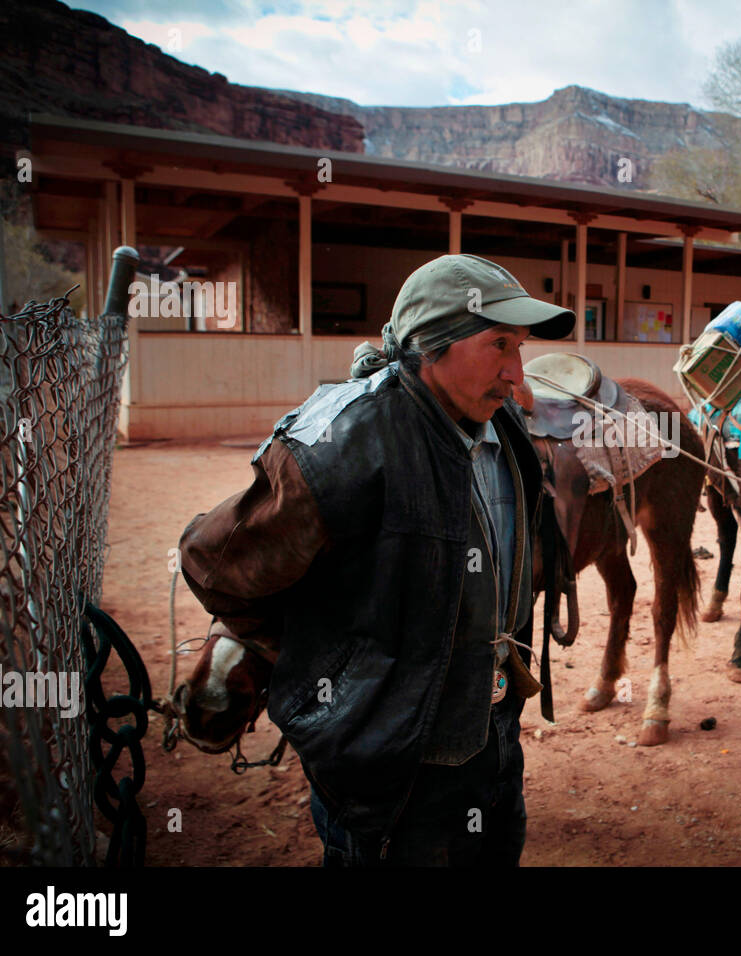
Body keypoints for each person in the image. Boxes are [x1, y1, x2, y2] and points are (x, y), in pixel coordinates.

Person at [177, 254, 573, 866]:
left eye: (518, 346)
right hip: (390, 770)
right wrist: (337, 672)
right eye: (499, 344)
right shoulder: (345, 446)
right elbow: (214, 564)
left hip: (493, 743)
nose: (517, 373)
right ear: (432, 346)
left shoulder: (504, 430)